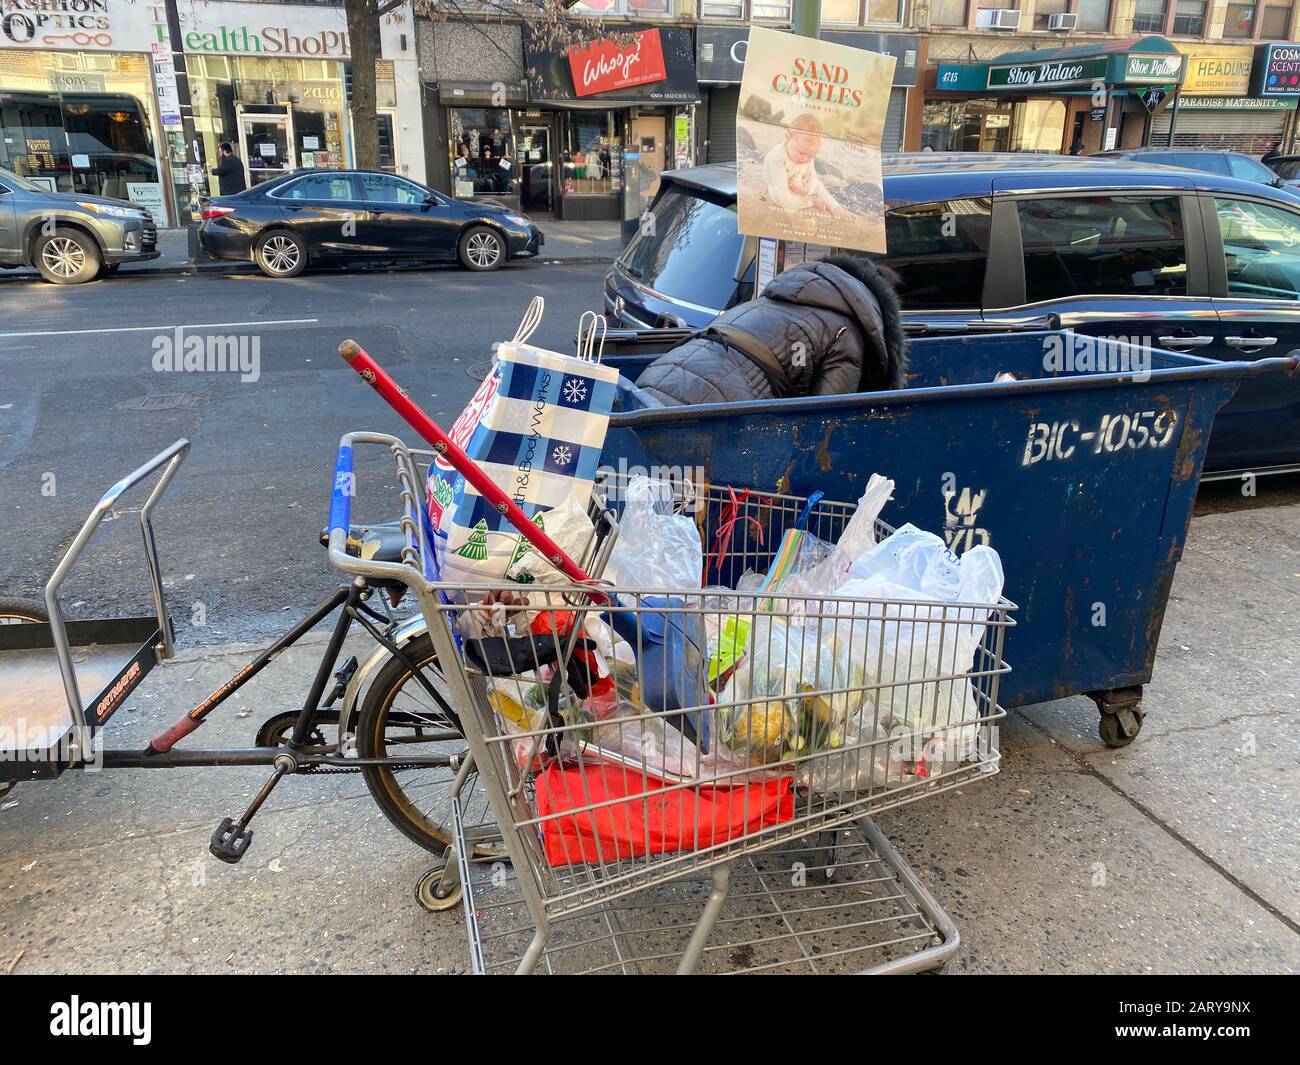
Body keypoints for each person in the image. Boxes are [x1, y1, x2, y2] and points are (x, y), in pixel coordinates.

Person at [633, 255, 906, 406]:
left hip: (656, 378)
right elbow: (822, 421)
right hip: (714, 405)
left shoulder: (775, 298)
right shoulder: (846, 334)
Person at [763, 114, 847, 216]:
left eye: (811, 155)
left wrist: (806, 190)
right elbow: (782, 191)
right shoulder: (777, 158)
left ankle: (836, 209)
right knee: (777, 196)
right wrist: (793, 215)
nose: (805, 159)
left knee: (818, 185)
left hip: (798, 186)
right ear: (788, 137)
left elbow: (813, 178)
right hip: (778, 186)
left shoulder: (807, 157)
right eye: (802, 153)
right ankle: (810, 202)